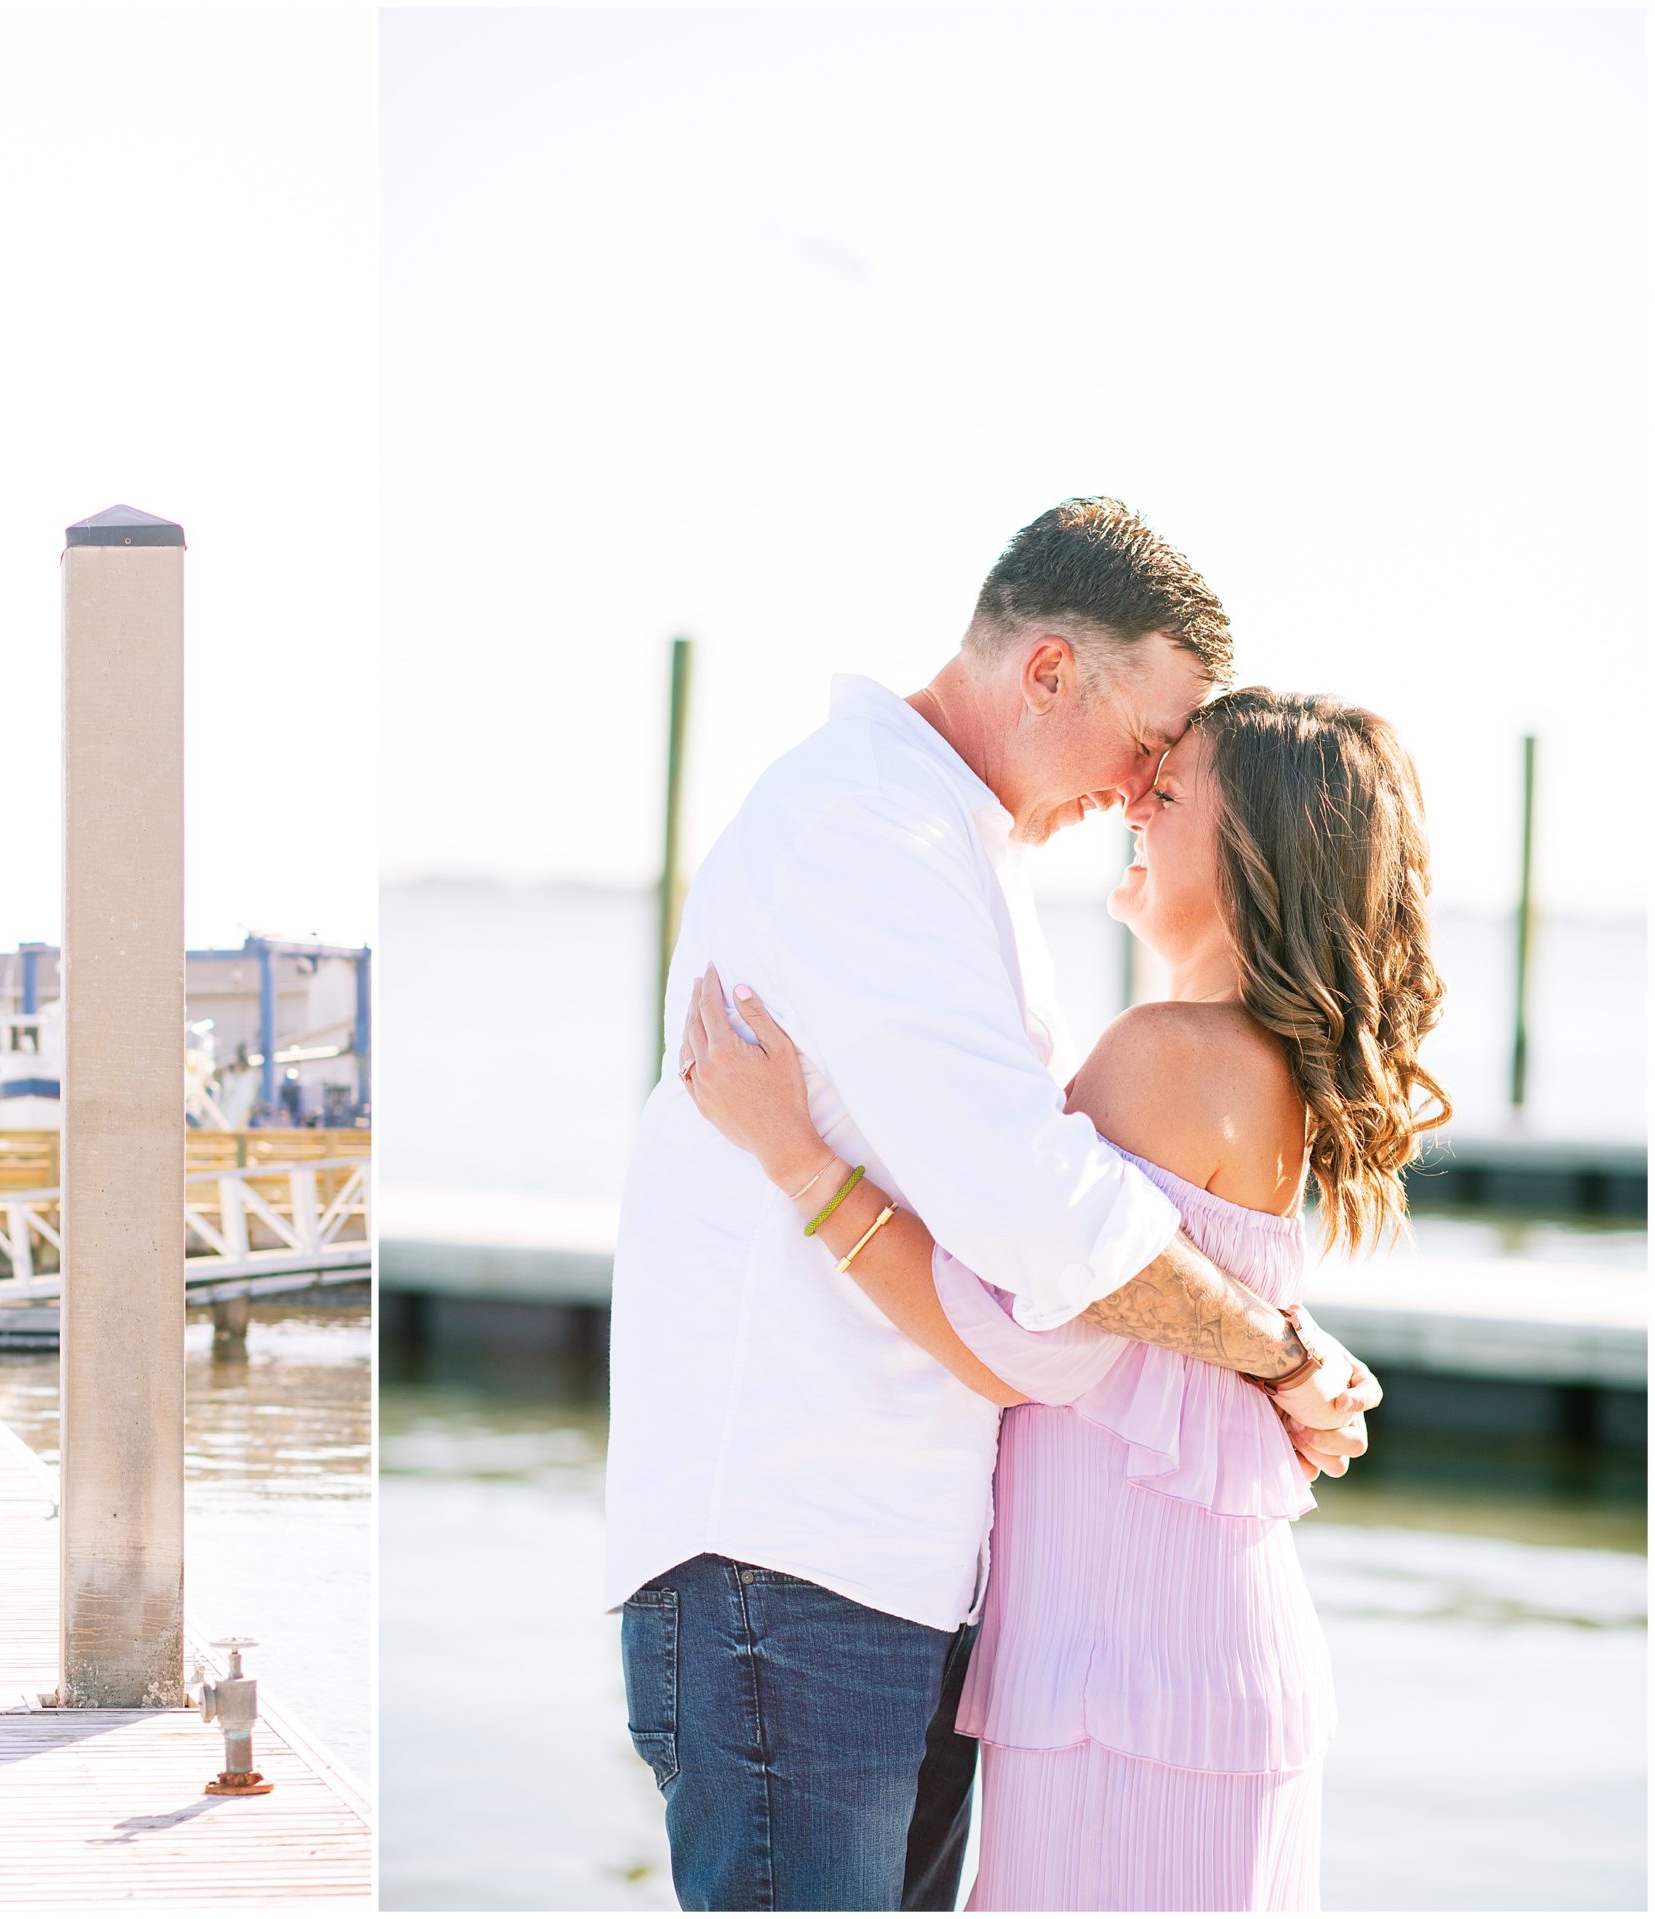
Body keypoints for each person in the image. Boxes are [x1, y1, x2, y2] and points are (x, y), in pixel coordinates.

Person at [605, 499, 1379, 1912]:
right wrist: (1277, 1351)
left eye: (1170, 774)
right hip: (795, 1555)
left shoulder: (958, 851)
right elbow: (1062, 1243)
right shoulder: (870, 834)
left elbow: (1100, 1230)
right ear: (1047, 673)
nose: (1141, 788)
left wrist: (1277, 1337)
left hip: (902, 1571)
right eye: (1149, 741)